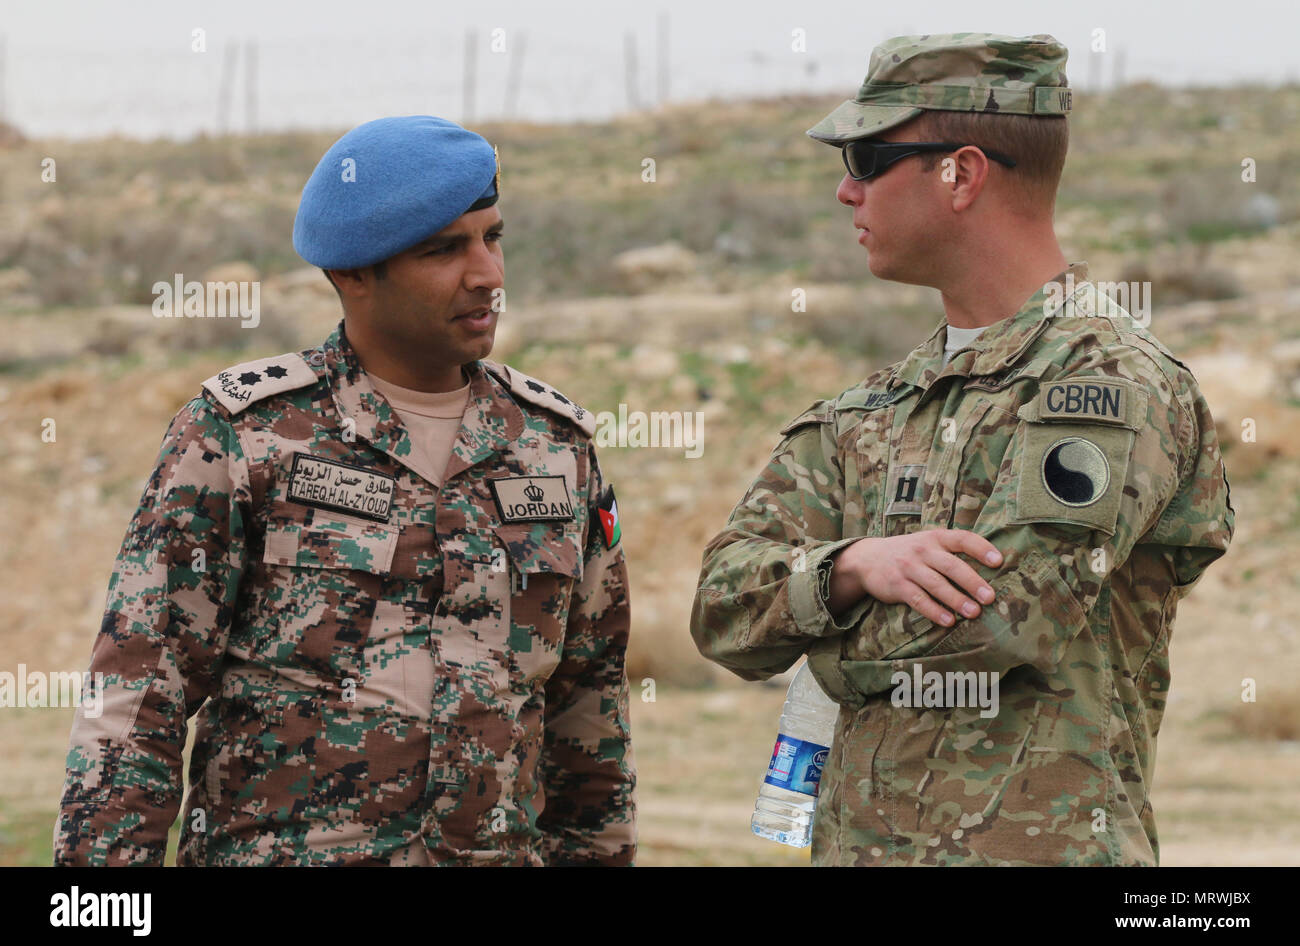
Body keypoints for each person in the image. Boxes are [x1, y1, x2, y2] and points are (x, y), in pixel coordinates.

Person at [691, 33, 1234, 865]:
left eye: (869, 157)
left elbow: (1000, 625)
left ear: (962, 173)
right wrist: (850, 568)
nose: (845, 191)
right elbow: (721, 611)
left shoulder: (1107, 382)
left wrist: (818, 645)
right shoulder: (872, 407)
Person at [54, 115, 635, 866]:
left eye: (493, 238)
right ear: (353, 273)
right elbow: (139, 699)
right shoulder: (243, 436)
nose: (488, 274)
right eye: (444, 249)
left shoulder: (555, 449)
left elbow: (590, 717)